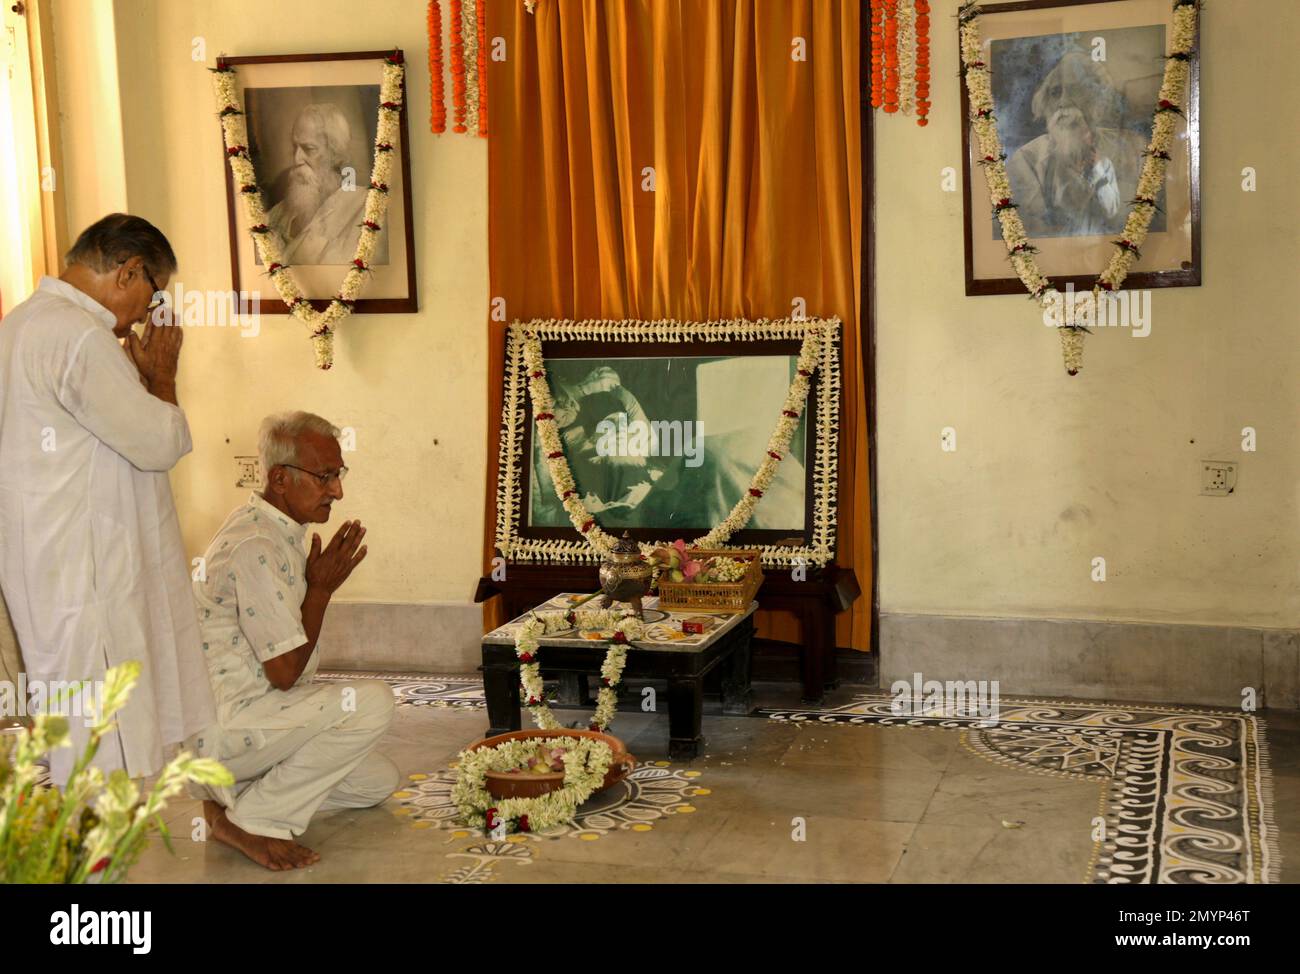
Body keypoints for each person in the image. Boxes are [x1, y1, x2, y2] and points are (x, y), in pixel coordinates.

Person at [0, 213, 215, 783]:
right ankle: (95, 858)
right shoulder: (80, 336)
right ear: (129, 271)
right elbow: (156, 442)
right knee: (101, 722)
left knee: (74, 709)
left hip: (47, 560)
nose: (150, 312)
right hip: (86, 564)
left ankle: (89, 843)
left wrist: (143, 386)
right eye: (154, 292)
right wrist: (164, 380)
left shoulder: (21, 323)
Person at [189, 411, 397, 871]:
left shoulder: (274, 531)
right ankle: (250, 820)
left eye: (338, 474)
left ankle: (228, 801)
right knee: (373, 702)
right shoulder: (255, 546)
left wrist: (318, 588)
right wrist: (320, 591)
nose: (338, 490)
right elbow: (284, 675)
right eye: (325, 477)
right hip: (230, 729)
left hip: (251, 722)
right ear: (280, 478)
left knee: (377, 782)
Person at [1004, 50, 1149, 238]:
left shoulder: (1133, 149)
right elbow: (1036, 236)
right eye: (1055, 92)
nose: (1063, 101)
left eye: (1074, 90)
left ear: (1097, 100)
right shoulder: (1026, 160)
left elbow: (1131, 222)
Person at [264, 103, 387, 265]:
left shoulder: (366, 207)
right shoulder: (277, 213)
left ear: (335, 154)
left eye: (309, 149)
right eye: (295, 147)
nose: (297, 159)